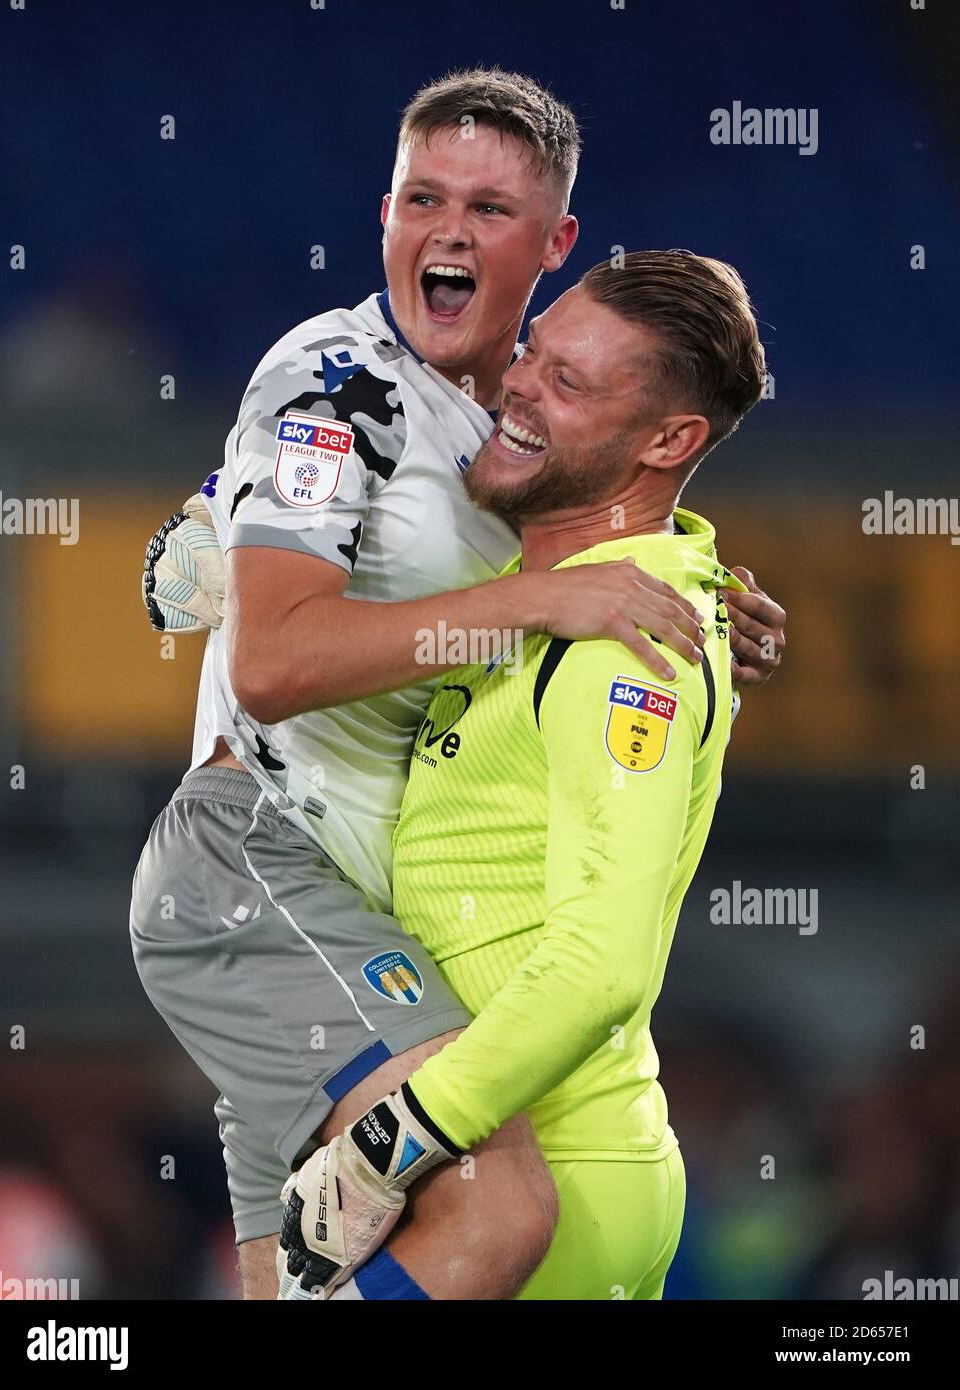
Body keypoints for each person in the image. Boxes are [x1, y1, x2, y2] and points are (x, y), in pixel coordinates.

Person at [131, 69, 786, 1301]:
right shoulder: (336, 385)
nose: (446, 230)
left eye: (488, 209)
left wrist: (695, 587)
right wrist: (537, 601)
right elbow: (269, 664)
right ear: (380, 214)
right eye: (419, 196)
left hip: (362, 926)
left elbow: (597, 511)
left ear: (555, 243)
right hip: (265, 863)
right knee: (496, 1211)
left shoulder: (512, 425)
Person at [283, 249, 767, 1301]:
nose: (517, 383)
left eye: (569, 383)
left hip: (543, 1188)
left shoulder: (616, 641)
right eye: (534, 349)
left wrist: (389, 1139)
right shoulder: (548, 593)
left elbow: (604, 961)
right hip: (496, 1168)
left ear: (668, 441)